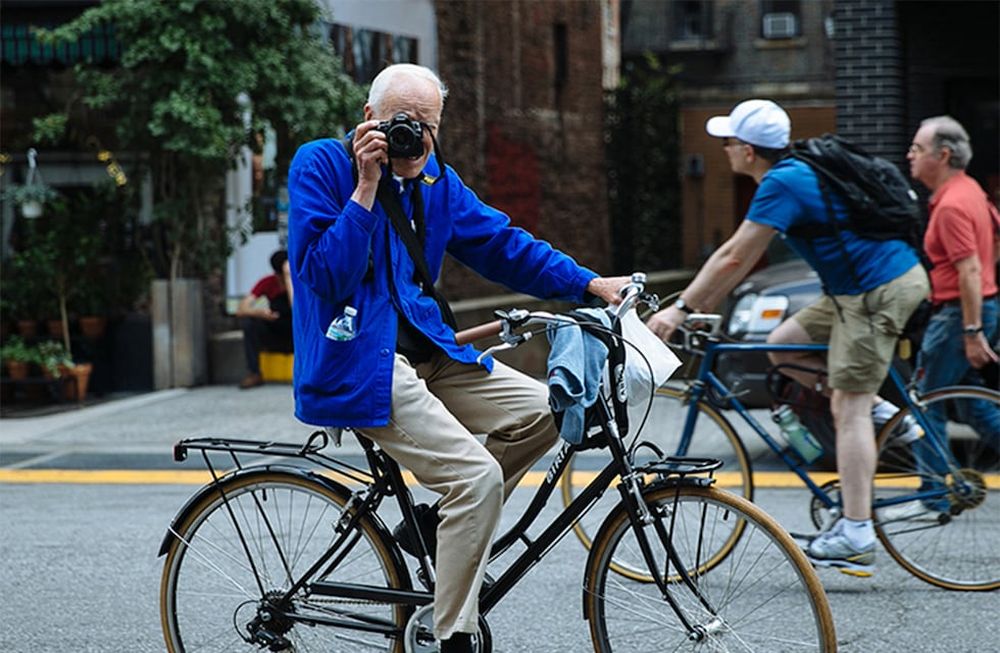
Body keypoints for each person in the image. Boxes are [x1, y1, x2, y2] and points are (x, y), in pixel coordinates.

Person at [286, 63, 626, 652]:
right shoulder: (321, 164)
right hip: (360, 363)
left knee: (548, 410)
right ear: (371, 119)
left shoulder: (437, 182)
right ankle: (452, 637)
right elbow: (322, 275)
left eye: (428, 125)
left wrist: (591, 285)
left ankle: (448, 533)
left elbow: (504, 245)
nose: (415, 137)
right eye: (404, 123)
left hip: (434, 352)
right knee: (475, 477)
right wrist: (366, 188)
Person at [646, 99, 930, 577]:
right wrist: (697, 302)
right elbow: (735, 259)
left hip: (877, 290)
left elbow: (735, 256)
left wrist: (682, 309)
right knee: (783, 342)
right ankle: (887, 415)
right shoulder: (792, 171)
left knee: (848, 406)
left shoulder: (782, 183)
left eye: (730, 141)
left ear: (750, 151)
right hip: (852, 291)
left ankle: (857, 533)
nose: (725, 149)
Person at [905, 116, 999, 491]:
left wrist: (972, 330)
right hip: (978, 308)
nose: (909, 155)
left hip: (957, 315)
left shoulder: (951, 206)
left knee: (927, 401)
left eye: (917, 149)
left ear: (942, 155)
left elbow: (970, 270)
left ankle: (933, 496)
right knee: (968, 403)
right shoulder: (971, 190)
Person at [235, 249, 294, 389]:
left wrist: (289, 278)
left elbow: (295, 308)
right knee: (249, 324)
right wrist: (260, 313)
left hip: (295, 334)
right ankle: (254, 373)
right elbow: (241, 309)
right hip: (274, 333)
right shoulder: (268, 283)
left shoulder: (298, 282)